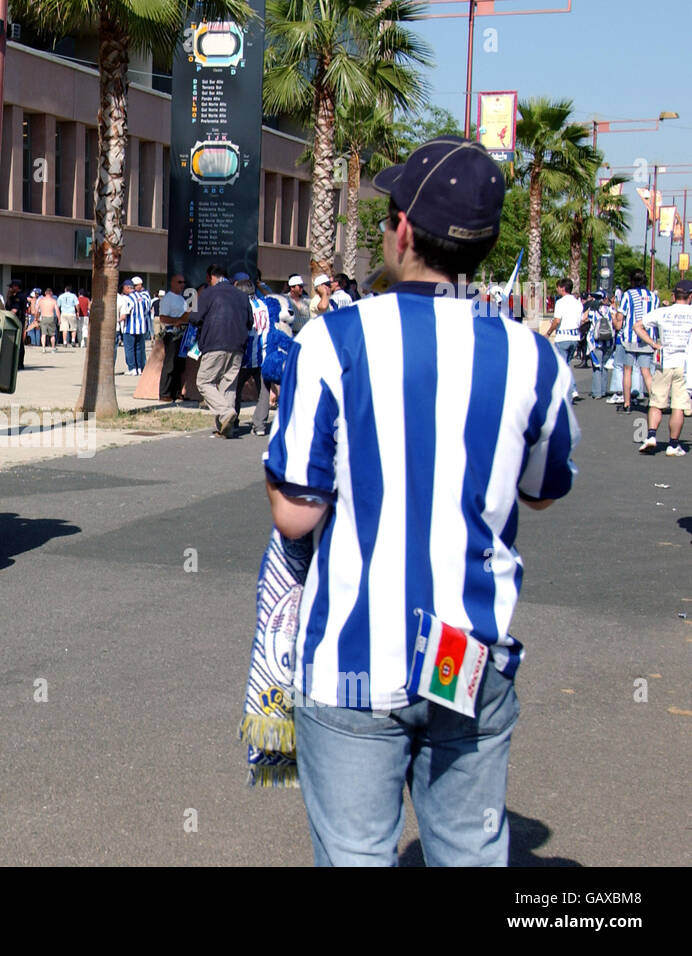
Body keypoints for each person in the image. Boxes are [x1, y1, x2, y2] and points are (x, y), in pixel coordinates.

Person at [264, 136, 578, 866]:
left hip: (353, 653)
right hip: (464, 648)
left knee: (355, 853)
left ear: (403, 229)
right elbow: (542, 492)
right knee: (468, 847)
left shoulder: (332, 339)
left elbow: (296, 511)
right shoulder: (532, 356)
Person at [190, 264, 250, 438]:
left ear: (210, 277)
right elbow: (250, 321)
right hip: (238, 345)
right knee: (228, 386)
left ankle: (225, 413)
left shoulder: (208, 293)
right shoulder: (241, 296)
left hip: (214, 344)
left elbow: (194, 317)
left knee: (204, 381)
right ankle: (226, 429)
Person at [633, 278, 692, 456]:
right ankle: (673, 444)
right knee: (678, 406)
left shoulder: (662, 312)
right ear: (690, 296)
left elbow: (638, 326)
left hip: (664, 361)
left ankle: (651, 435)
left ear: (674, 295)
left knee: (657, 402)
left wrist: (653, 344)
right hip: (685, 364)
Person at [233, 274, 271, 436]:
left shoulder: (241, 307)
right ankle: (260, 424)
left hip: (245, 355)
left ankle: (233, 421)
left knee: (234, 389)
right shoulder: (264, 305)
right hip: (263, 353)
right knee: (264, 391)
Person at [615, 270, 659, 414]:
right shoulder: (654, 297)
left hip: (630, 337)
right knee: (646, 372)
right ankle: (654, 402)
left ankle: (627, 403)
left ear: (632, 281)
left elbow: (621, 316)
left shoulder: (628, 295)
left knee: (627, 370)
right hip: (647, 338)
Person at [548, 277, 582, 402]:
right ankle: (570, 390)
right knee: (567, 364)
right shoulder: (578, 303)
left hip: (563, 337)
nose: (557, 289)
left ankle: (571, 391)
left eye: (558, 287)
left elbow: (557, 320)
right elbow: (580, 320)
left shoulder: (560, 303)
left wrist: (548, 333)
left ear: (562, 288)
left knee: (562, 366)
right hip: (574, 337)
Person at [157, 274, 190, 402]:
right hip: (172, 334)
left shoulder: (182, 299)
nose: (182, 285)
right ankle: (164, 392)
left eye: (183, 282)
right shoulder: (167, 299)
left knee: (179, 365)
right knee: (169, 364)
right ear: (172, 283)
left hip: (182, 334)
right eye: (179, 282)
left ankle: (176, 391)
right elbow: (163, 318)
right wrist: (177, 321)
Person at [125, 277, 153, 375]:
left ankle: (133, 368)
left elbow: (126, 311)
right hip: (142, 326)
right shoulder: (144, 296)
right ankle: (140, 367)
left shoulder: (130, 297)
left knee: (130, 348)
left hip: (131, 326)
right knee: (139, 348)